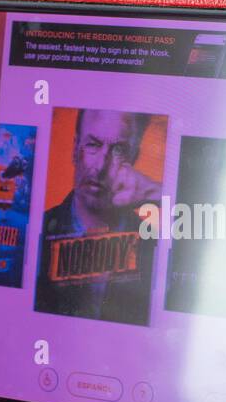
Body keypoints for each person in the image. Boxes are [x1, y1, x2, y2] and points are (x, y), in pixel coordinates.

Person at [35, 109, 163, 324]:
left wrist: (158, 192)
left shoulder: (153, 246)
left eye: (119, 150)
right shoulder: (34, 233)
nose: (101, 167)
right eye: (93, 144)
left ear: (135, 157)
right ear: (75, 149)